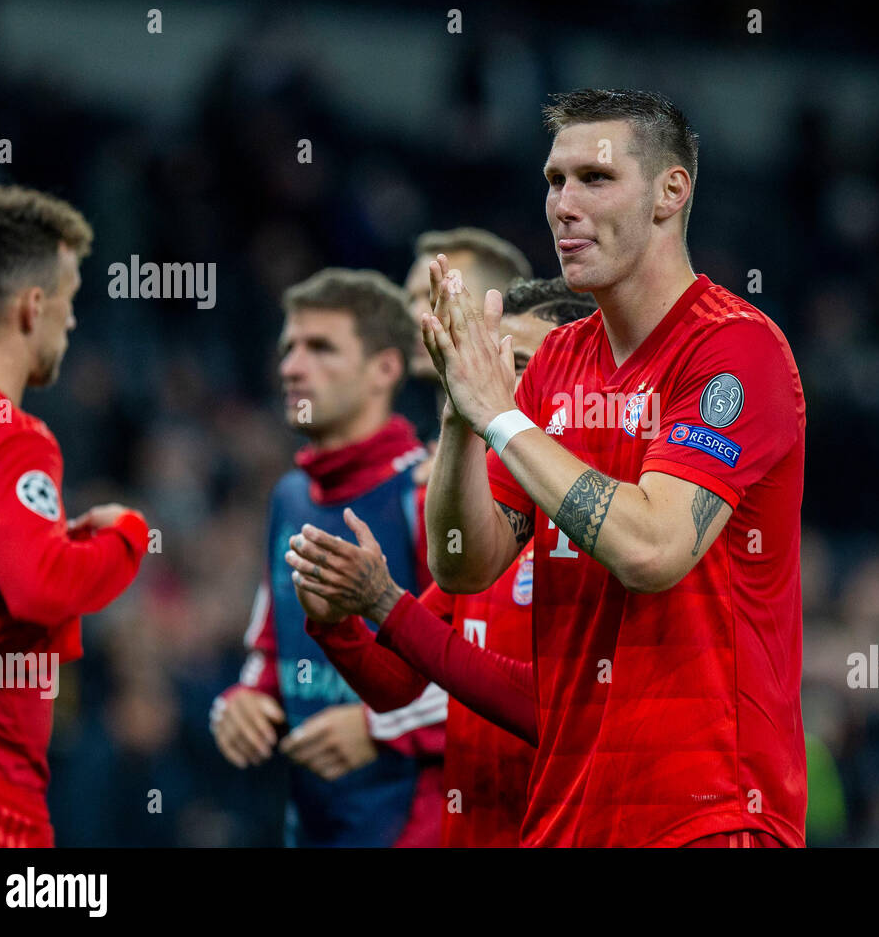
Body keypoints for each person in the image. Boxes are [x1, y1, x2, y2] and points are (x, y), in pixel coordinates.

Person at [290, 89, 808, 847]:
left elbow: (653, 550)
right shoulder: (559, 362)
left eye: (593, 179)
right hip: (566, 819)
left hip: (706, 816)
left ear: (672, 192)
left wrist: (502, 416)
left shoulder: (735, 349)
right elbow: (466, 567)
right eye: (553, 181)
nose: (563, 204)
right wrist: (463, 417)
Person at [303, 277, 595, 846]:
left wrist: (386, 602)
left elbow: (553, 708)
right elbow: (400, 683)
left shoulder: (605, 528)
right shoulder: (486, 532)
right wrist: (336, 622)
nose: (496, 386)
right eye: (488, 366)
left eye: (521, 365)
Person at [209, 268, 444, 846]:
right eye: (289, 347)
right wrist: (241, 701)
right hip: (309, 822)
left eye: (321, 348)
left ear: (385, 369)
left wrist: (380, 727)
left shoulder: (427, 492)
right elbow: (272, 645)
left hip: (415, 823)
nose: (291, 367)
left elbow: (484, 672)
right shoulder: (289, 495)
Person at [0, 185, 149, 847]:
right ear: (32, 307)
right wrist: (122, 537)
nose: (71, 324)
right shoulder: (13, 436)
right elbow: (38, 584)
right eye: (68, 303)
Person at [397, 229, 531, 448]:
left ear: (498, 308)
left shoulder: (544, 438)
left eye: (439, 296)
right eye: (411, 299)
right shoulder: (413, 453)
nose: (414, 314)